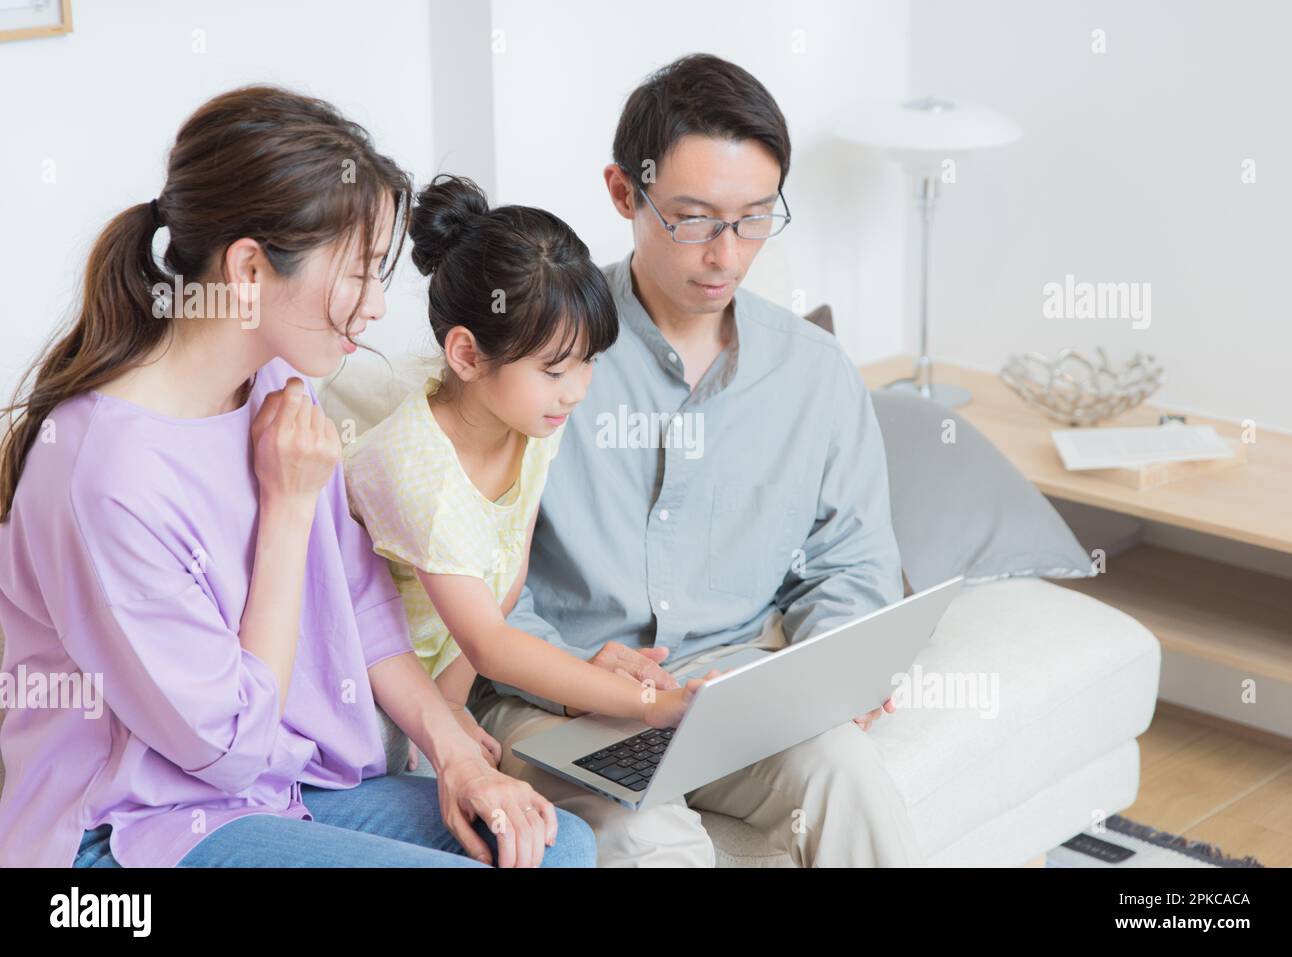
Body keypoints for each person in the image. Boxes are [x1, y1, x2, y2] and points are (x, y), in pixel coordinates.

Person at [0, 86, 595, 868]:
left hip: (278, 791)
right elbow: (228, 749)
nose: (378, 304)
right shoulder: (101, 473)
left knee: (558, 844)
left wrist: (454, 751)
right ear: (249, 268)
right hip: (127, 838)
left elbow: (357, 598)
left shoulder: (281, 383)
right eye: (357, 273)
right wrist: (285, 508)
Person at [465, 54, 923, 867]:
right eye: (694, 218)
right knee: (644, 834)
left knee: (847, 773)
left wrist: (839, 668)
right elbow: (471, 576)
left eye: (754, 217)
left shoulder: (814, 372)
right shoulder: (534, 361)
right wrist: (579, 670)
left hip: (731, 692)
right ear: (622, 193)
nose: (727, 255)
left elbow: (848, 560)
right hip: (561, 699)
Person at [343, 175, 712, 779]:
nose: (577, 390)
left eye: (588, 361)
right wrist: (655, 706)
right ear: (466, 355)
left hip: (432, 688)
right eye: (555, 369)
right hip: (355, 692)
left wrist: (453, 702)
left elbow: (504, 583)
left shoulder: (533, 417)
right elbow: (489, 640)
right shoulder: (419, 474)